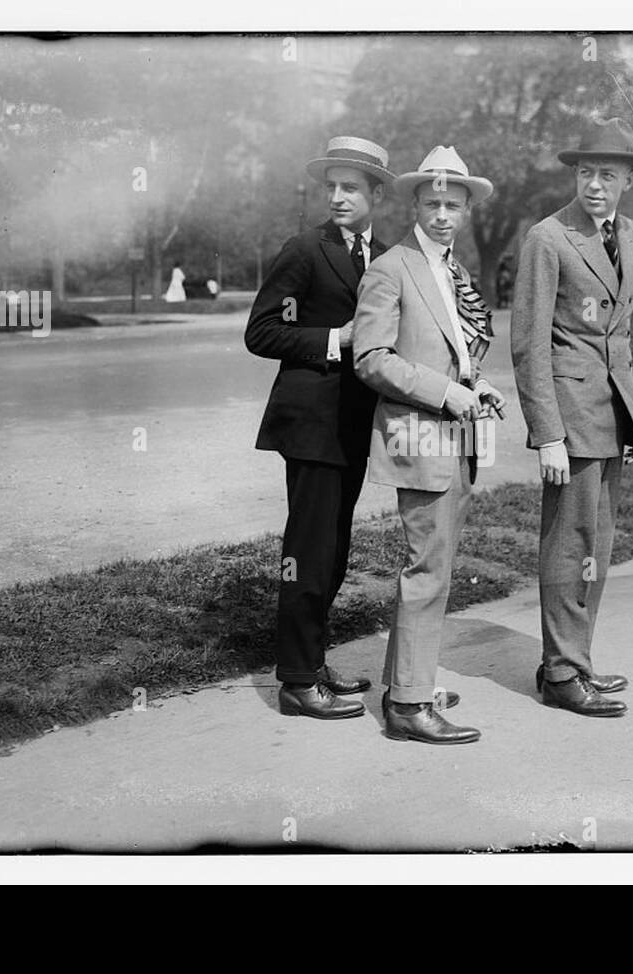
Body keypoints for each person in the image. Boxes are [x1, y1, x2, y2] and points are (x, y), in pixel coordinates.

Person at [353, 146, 505, 745]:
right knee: (427, 571)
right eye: (432, 203)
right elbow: (371, 358)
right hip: (419, 438)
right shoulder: (391, 267)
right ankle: (410, 707)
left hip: (455, 437)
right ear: (414, 205)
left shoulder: (451, 268)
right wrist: (446, 393)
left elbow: (453, 349)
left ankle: (407, 685)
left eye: (453, 205)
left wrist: (475, 384)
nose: (443, 215)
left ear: (467, 211)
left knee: (436, 568)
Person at [244, 136, 396, 720]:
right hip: (311, 426)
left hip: (355, 426)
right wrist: (337, 338)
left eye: (350, 188)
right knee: (308, 553)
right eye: (331, 187)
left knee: (334, 552)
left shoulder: (386, 258)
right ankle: (297, 681)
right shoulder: (305, 250)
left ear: (377, 194)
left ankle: (313, 661)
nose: (337, 197)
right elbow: (262, 332)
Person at [510, 116, 633, 718]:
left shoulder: (631, 234)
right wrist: (547, 434)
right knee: (569, 543)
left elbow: (630, 333)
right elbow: (529, 344)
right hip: (570, 417)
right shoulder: (548, 238)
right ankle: (561, 674)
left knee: (600, 541)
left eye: (608, 175)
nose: (595, 185)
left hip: (614, 414)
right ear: (574, 175)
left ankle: (576, 660)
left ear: (628, 182)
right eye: (586, 172)